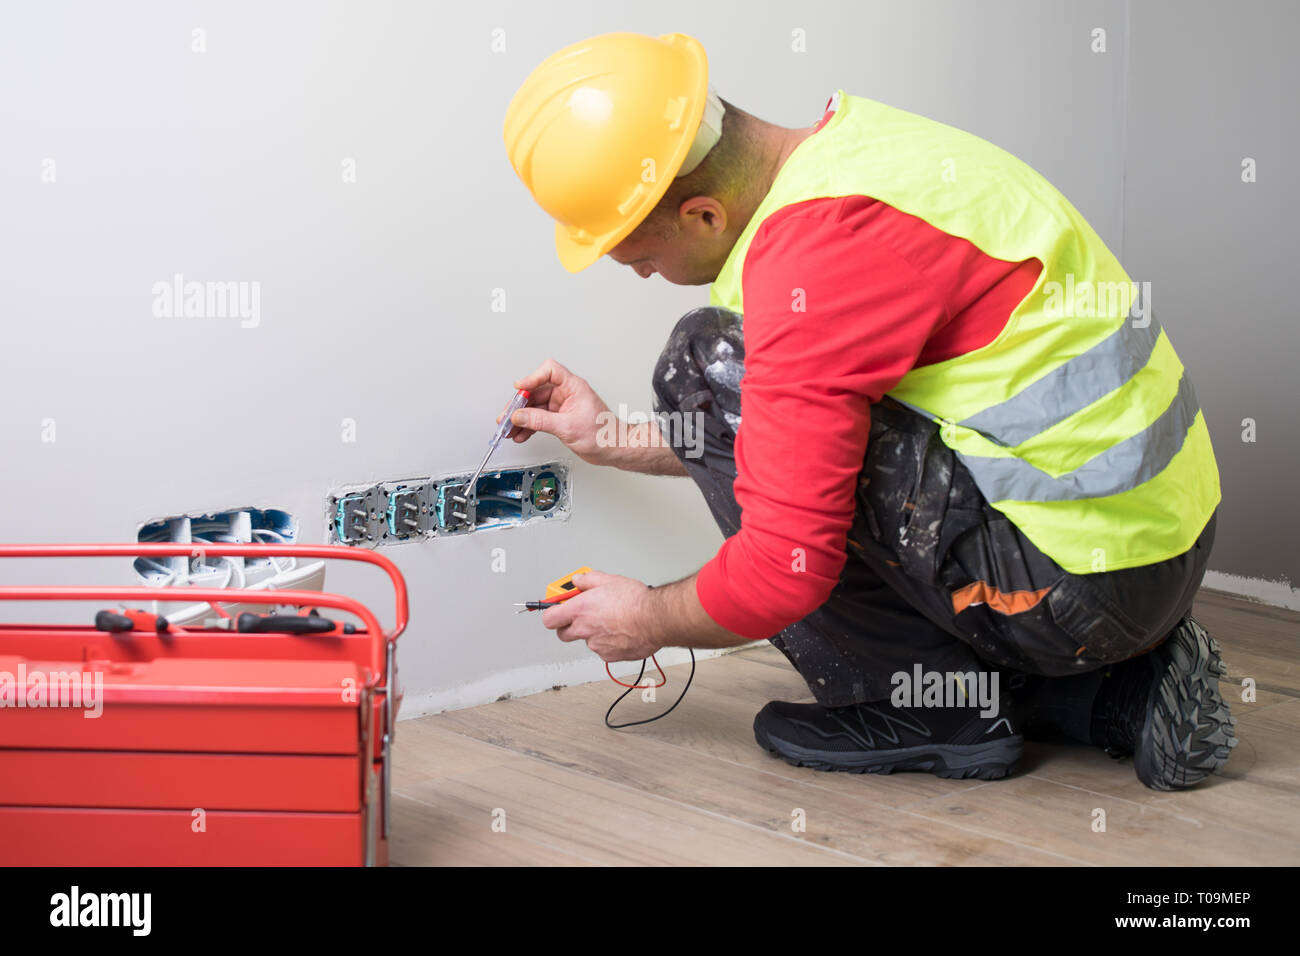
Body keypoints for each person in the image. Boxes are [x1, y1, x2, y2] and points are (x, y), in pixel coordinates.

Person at [499, 31, 1236, 790]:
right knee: (736, 376)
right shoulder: (862, 154)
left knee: (705, 363)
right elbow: (799, 429)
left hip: (1077, 586)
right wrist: (612, 438)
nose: (648, 277)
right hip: (1155, 548)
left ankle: (935, 711)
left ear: (705, 216)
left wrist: (646, 618)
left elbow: (782, 573)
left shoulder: (811, 264)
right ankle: (1120, 694)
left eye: (642, 259)